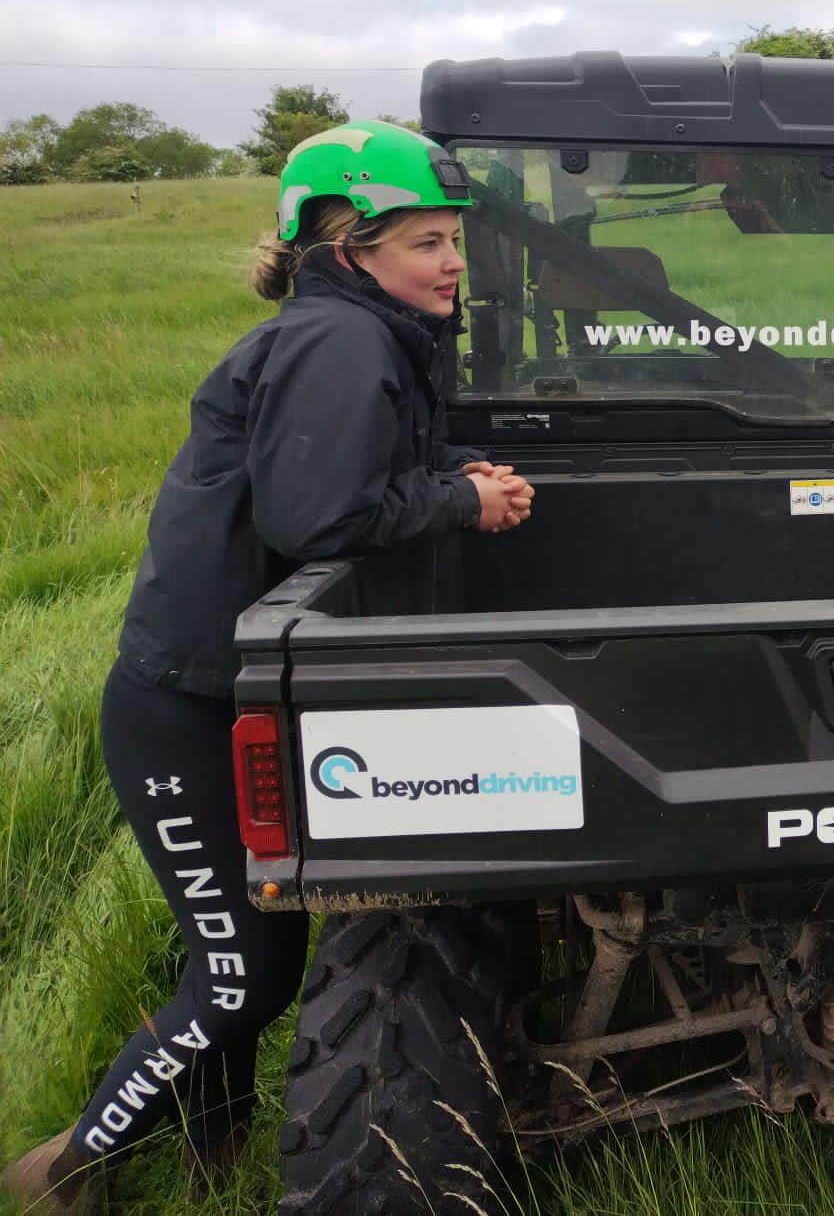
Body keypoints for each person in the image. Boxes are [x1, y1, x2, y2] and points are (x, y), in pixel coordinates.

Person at [2, 121, 535, 1211]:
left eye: (453, 241)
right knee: (245, 975)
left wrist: (446, 471)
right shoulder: (339, 341)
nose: (451, 263)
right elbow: (316, 512)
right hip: (181, 707)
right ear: (351, 252)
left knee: (241, 962)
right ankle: (65, 1169)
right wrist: (461, 500)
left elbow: (350, 467)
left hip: (219, 684)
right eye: (426, 243)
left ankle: (208, 1159)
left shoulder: (358, 332)